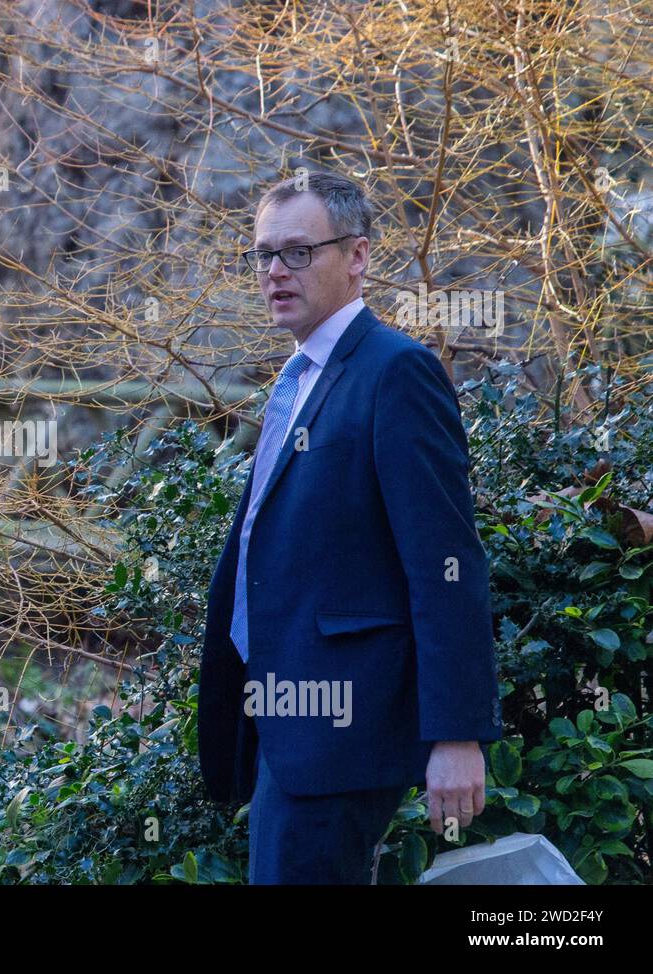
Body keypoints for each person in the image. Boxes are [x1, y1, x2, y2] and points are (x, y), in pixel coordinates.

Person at [198, 172, 501, 884]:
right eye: (264, 254)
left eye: (299, 252)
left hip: (342, 730)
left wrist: (457, 734)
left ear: (358, 256)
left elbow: (447, 563)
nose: (276, 271)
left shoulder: (396, 372)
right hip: (279, 714)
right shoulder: (298, 376)